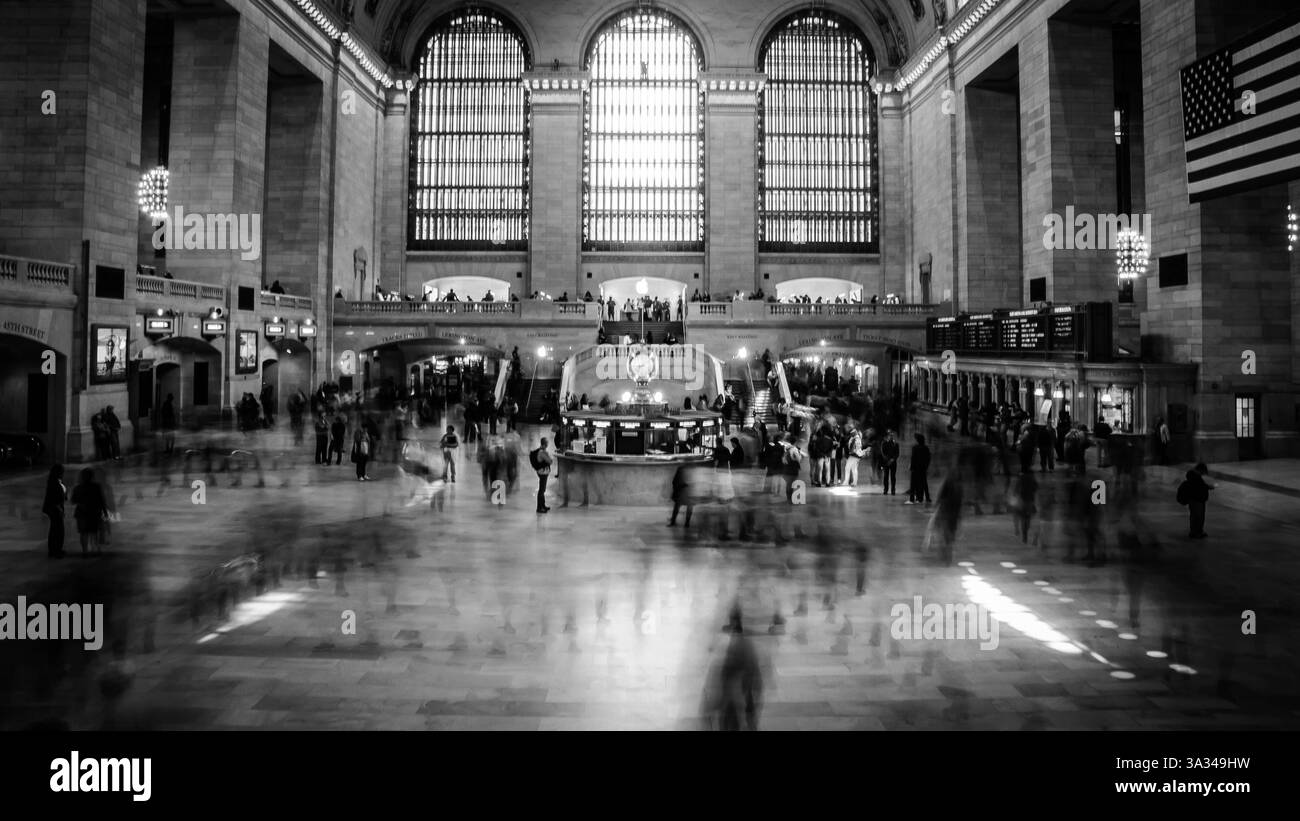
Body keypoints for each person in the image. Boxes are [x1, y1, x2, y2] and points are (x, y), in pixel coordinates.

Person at [70, 467, 107, 557]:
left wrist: (81, 503)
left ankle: (85, 551)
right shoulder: (96, 487)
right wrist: (105, 511)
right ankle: (96, 549)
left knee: (83, 533)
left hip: (81, 513)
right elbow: (101, 500)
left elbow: (73, 501)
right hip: (94, 513)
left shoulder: (77, 488)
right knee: (94, 532)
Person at [1177, 463, 1213, 538]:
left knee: (1199, 517)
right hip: (1196, 500)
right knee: (1197, 517)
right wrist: (1208, 487)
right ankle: (1195, 532)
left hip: (1199, 500)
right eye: (1203, 472)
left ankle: (1198, 531)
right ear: (1200, 470)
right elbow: (1198, 487)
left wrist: (1207, 487)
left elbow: (1201, 486)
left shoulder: (1196, 477)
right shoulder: (1194, 477)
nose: (1203, 474)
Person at [42, 464, 67, 559]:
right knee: (57, 530)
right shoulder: (54, 483)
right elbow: (54, 499)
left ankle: (55, 549)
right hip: (54, 509)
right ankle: (55, 550)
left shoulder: (56, 481)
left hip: (56, 509)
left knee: (55, 529)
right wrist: (59, 509)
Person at [905, 433, 931, 504]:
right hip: (923, 469)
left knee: (913, 484)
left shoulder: (915, 448)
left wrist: (911, 467)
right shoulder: (926, 448)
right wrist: (926, 467)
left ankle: (912, 499)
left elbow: (913, 458)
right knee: (923, 483)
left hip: (915, 468)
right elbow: (928, 458)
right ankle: (922, 498)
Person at [533, 437, 552, 513]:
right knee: (541, 490)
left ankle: (543, 505)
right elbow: (550, 461)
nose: (547, 445)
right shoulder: (542, 452)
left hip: (542, 472)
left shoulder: (541, 451)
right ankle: (539, 508)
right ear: (544, 444)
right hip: (542, 473)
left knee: (542, 489)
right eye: (547, 443)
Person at [879, 430, 900, 495]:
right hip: (886, 462)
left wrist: (892, 459)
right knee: (886, 477)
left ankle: (893, 490)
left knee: (893, 477)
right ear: (888, 436)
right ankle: (886, 489)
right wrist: (887, 459)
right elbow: (883, 452)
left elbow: (897, 453)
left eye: (892, 435)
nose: (891, 436)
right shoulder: (884, 443)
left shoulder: (896, 444)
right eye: (890, 435)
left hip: (893, 462)